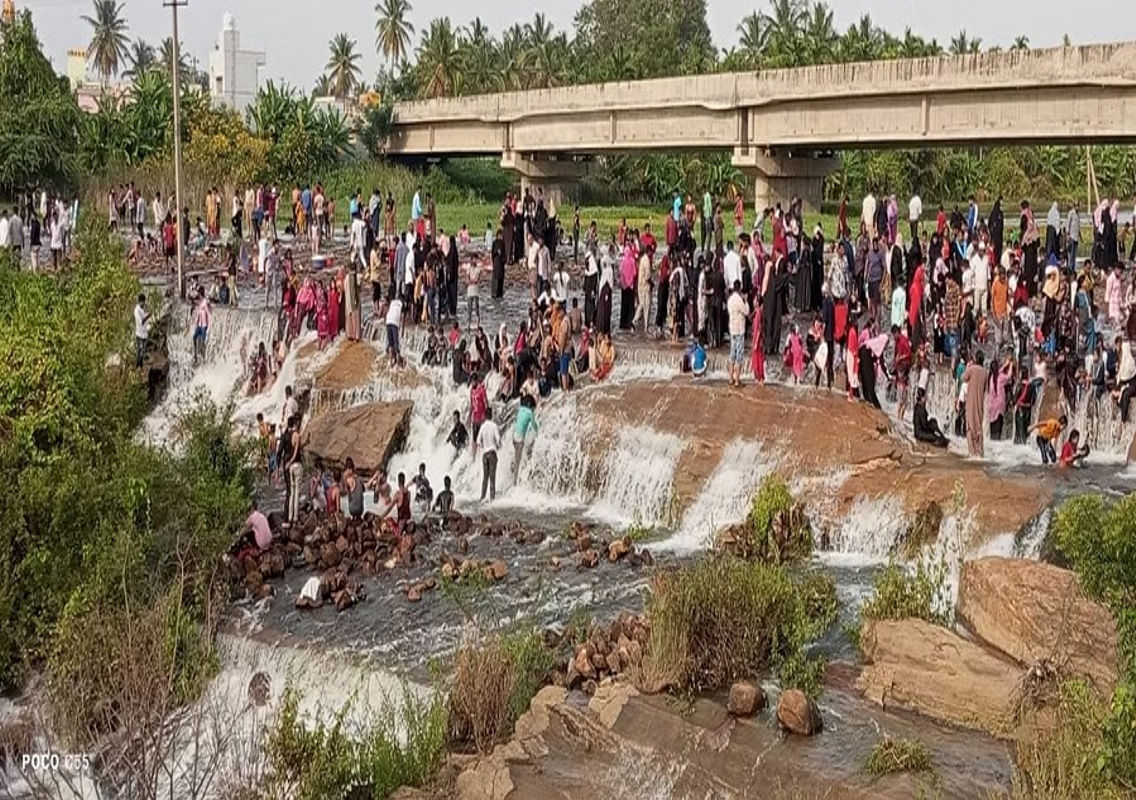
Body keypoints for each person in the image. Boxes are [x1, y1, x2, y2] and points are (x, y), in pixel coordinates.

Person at [963, 350, 988, 457]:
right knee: (978, 426)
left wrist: (968, 366)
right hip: (980, 402)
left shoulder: (972, 369)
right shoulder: (985, 372)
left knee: (970, 426)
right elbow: (985, 389)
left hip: (971, 401)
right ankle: (980, 452)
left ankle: (972, 453)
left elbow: (963, 378)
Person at [726, 280, 749, 387]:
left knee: (732, 354)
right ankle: (737, 380)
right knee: (739, 355)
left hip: (732, 329)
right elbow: (746, 312)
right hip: (739, 329)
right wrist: (746, 301)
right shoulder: (740, 300)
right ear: (739, 288)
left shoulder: (730, 300)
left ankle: (730, 378)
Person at [512, 393, 538, 481]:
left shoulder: (521, 409)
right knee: (518, 461)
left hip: (514, 437)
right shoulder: (530, 412)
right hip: (519, 439)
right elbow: (534, 425)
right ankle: (515, 482)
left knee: (517, 456)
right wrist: (538, 433)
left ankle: (513, 468)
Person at [477, 406, 501, 501]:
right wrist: (498, 446)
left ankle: (482, 497)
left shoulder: (483, 427)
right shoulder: (494, 426)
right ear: (491, 415)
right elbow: (498, 440)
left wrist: (483, 446)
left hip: (485, 454)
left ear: (485, 415)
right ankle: (492, 498)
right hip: (492, 453)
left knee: (485, 477)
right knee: (492, 477)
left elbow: (478, 441)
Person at [192, 287, 211, 366]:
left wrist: (209, 326)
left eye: (198, 293)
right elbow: (198, 313)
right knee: (194, 337)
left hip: (204, 325)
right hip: (199, 324)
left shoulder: (205, 302)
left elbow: (209, 314)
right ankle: (195, 355)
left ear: (200, 293)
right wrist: (196, 322)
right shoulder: (200, 302)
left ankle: (204, 358)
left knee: (203, 341)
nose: (198, 294)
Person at [134, 293, 151, 369]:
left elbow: (146, 321)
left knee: (142, 351)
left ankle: (140, 367)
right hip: (139, 334)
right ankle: (138, 366)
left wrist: (147, 312)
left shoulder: (142, 309)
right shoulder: (136, 311)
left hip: (144, 334)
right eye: (143, 302)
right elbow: (142, 321)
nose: (144, 304)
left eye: (144, 302)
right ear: (140, 301)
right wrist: (148, 315)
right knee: (140, 352)